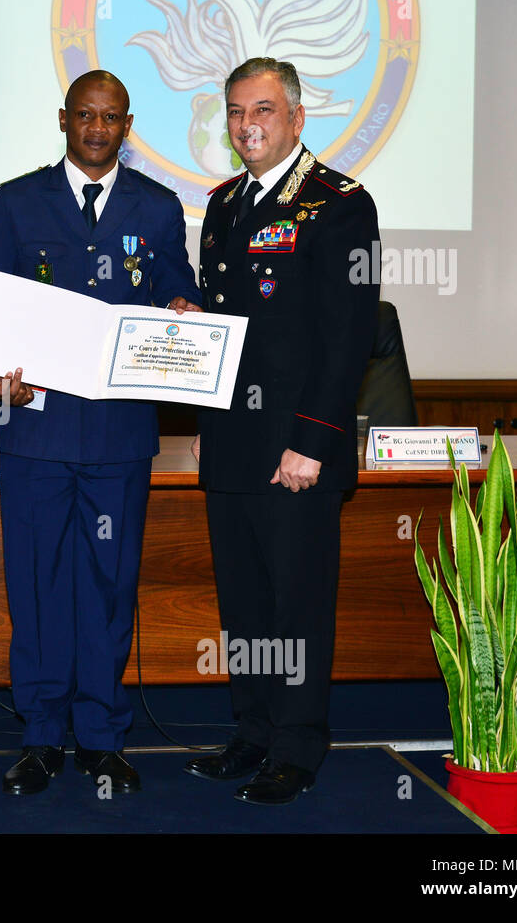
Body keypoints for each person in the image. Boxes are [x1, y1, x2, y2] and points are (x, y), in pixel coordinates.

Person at [0, 70, 200, 795]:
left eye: (111, 119)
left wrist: (182, 309)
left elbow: (181, 289)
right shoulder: (17, 201)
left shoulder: (158, 207)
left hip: (118, 436)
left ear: (126, 125)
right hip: (36, 433)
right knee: (36, 586)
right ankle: (41, 735)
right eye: (85, 116)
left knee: (109, 585)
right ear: (64, 119)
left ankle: (103, 736)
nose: (97, 129)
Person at [185, 57, 379, 804]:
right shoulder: (224, 202)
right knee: (244, 604)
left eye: (262, 110)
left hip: (297, 446)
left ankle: (298, 746)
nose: (247, 125)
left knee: (296, 602)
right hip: (233, 441)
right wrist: (203, 394)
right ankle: (255, 732)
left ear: (296, 118)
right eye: (236, 111)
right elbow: (235, 323)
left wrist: (315, 441)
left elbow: (348, 336)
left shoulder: (341, 205)